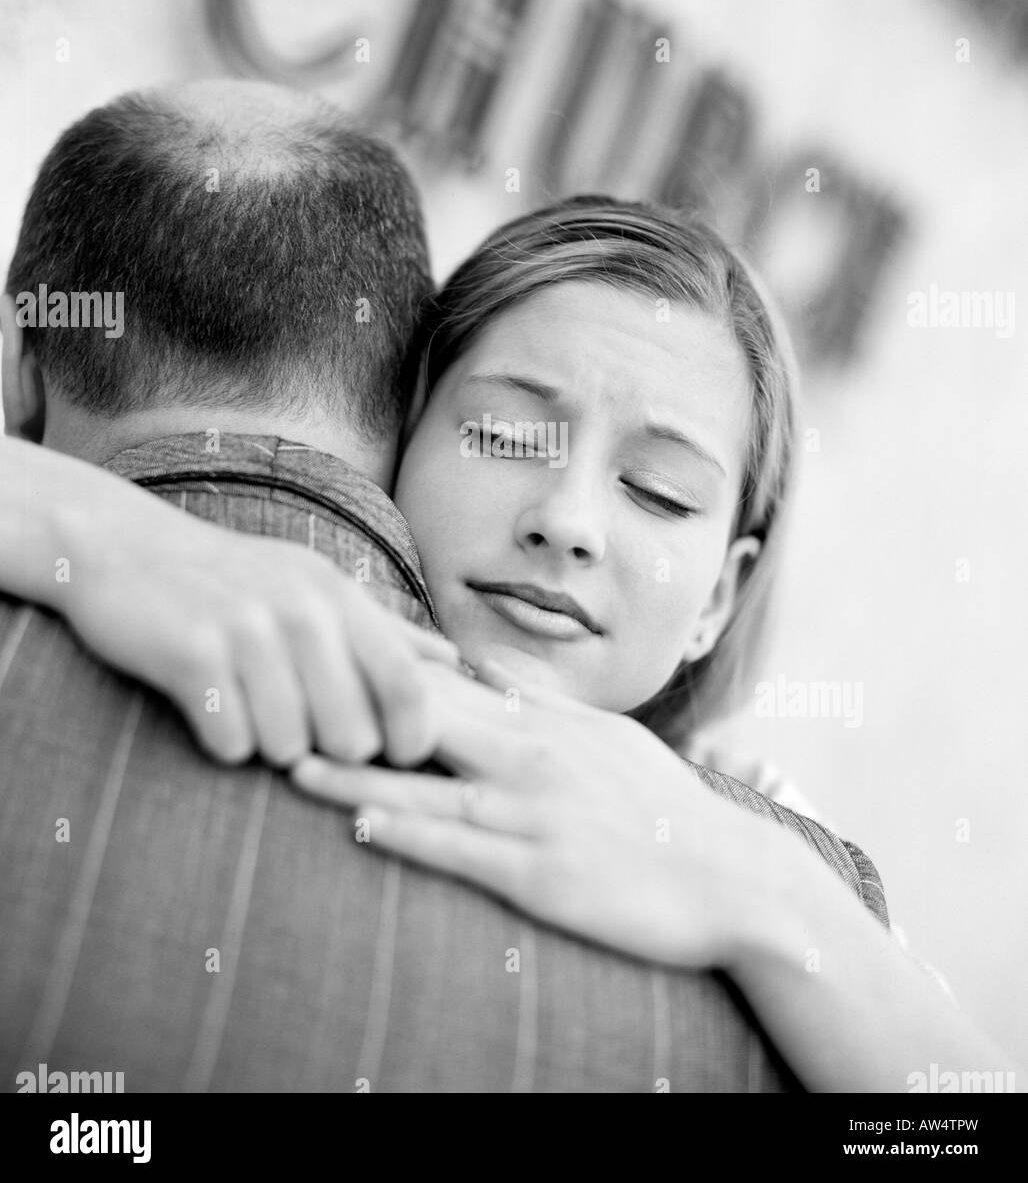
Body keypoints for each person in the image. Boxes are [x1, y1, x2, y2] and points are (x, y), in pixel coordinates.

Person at [1, 85, 1019, 1091]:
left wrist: (769, 898)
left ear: (718, 594)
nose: (566, 522)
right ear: (400, 422)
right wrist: (84, 524)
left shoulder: (778, 836)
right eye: (503, 435)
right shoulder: (199, 585)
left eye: (658, 494)